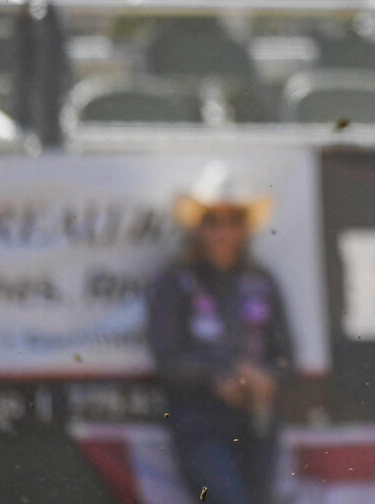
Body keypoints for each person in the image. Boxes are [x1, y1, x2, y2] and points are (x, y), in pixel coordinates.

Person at [147, 164, 295, 504]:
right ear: (198, 227)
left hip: (257, 421)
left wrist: (265, 378)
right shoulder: (175, 282)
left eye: (233, 220)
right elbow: (167, 357)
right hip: (200, 421)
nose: (222, 231)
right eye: (212, 220)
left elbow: (287, 357)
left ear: (245, 228)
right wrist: (215, 380)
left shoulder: (262, 281)